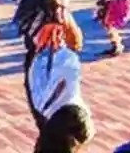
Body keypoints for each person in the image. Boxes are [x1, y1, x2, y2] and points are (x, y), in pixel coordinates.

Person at [28, 12, 95, 152]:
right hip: (68, 116)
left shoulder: (61, 58)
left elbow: (76, 42)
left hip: (68, 118)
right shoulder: (60, 58)